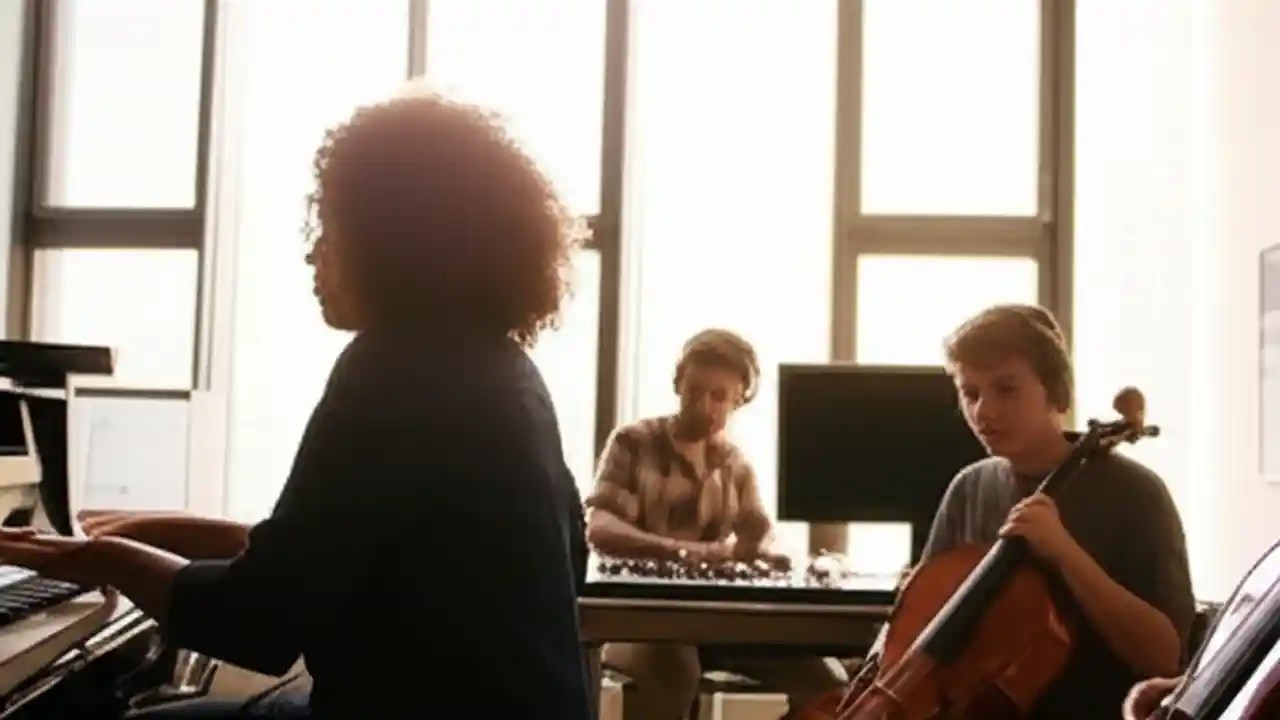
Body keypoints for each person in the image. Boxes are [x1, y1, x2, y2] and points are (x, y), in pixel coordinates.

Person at [0, 91, 595, 719]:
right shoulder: (501, 371)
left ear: (396, 240)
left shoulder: (394, 370)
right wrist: (159, 530)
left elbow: (258, 624)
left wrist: (98, 557)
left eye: (330, 228)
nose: (315, 252)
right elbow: (331, 550)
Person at [825, 304, 1196, 720]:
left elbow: (1165, 659)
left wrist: (1064, 551)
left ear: (1054, 391)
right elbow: (918, 625)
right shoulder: (969, 487)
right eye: (971, 393)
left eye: (1006, 389)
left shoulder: (1135, 493)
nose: (984, 411)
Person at [584, 328, 844, 720]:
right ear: (678, 384)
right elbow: (599, 527)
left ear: (738, 401)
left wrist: (767, 548)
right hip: (645, 620)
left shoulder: (734, 462)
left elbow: (761, 536)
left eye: (720, 396)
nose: (705, 406)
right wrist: (684, 551)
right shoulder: (634, 442)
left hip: (718, 622)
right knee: (675, 674)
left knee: (827, 682)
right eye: (695, 391)